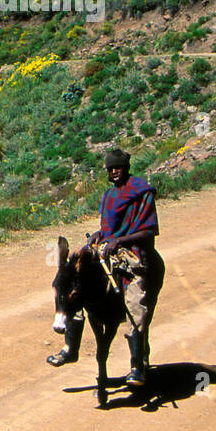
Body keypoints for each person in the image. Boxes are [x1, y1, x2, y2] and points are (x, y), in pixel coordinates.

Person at [89, 147, 164, 386]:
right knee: (78, 280)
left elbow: (149, 229)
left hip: (134, 256)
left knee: (135, 304)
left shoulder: (141, 191)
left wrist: (119, 241)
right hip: (110, 250)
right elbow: (110, 228)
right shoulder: (109, 196)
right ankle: (70, 345)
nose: (114, 172)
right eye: (110, 169)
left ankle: (137, 366)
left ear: (126, 167)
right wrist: (99, 235)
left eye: (117, 167)